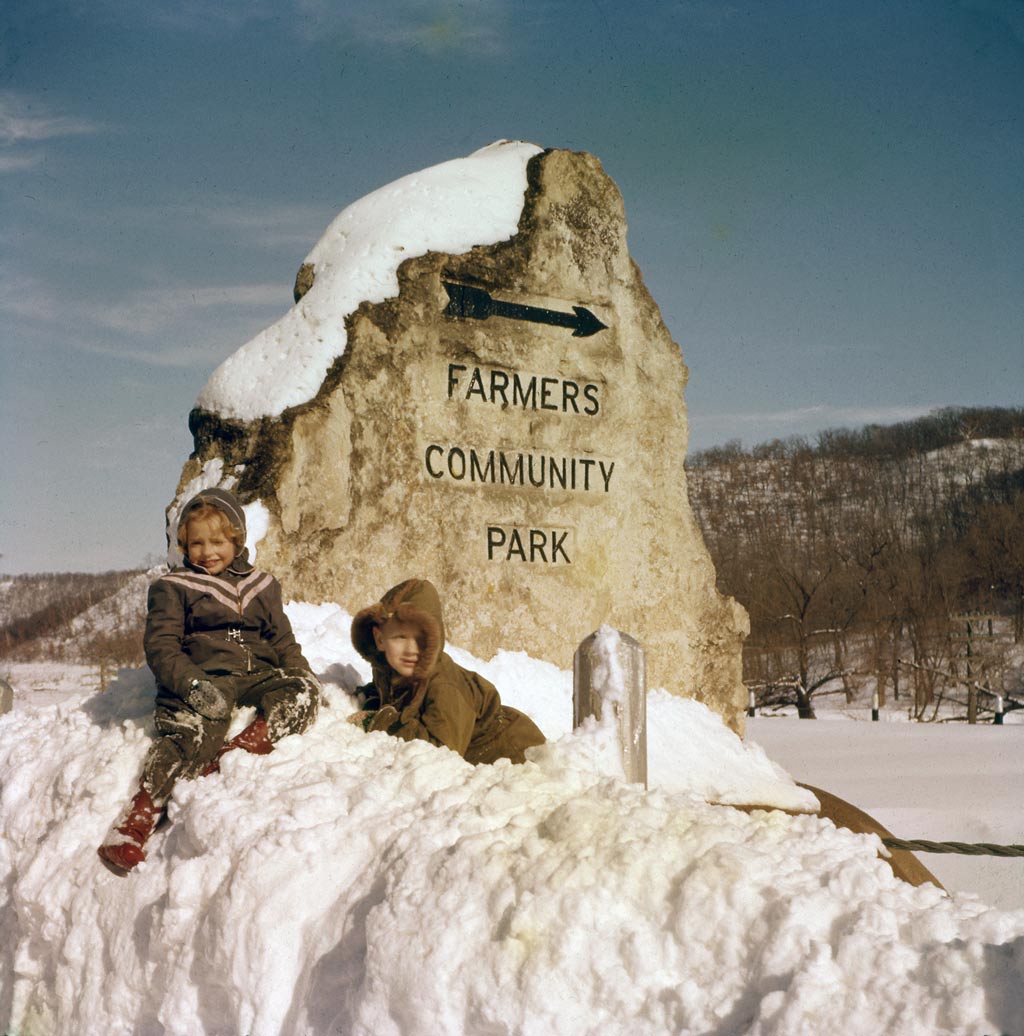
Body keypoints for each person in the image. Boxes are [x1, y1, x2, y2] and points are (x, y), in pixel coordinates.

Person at [97, 488, 321, 873]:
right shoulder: (174, 587)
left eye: (218, 541)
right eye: (196, 543)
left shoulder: (262, 586)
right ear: (184, 545)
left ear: (237, 539)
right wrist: (192, 685)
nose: (207, 551)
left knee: (302, 690)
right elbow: (162, 646)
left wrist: (302, 676)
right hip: (201, 677)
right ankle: (139, 816)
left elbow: (282, 640)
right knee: (192, 732)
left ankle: (245, 747)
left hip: (256, 676)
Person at [350, 578, 545, 764]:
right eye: (400, 637)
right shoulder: (388, 667)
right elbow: (396, 694)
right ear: (380, 639)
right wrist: (373, 697)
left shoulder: (444, 687)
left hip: (513, 753)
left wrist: (382, 722)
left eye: (422, 639)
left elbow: (440, 753)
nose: (411, 649)